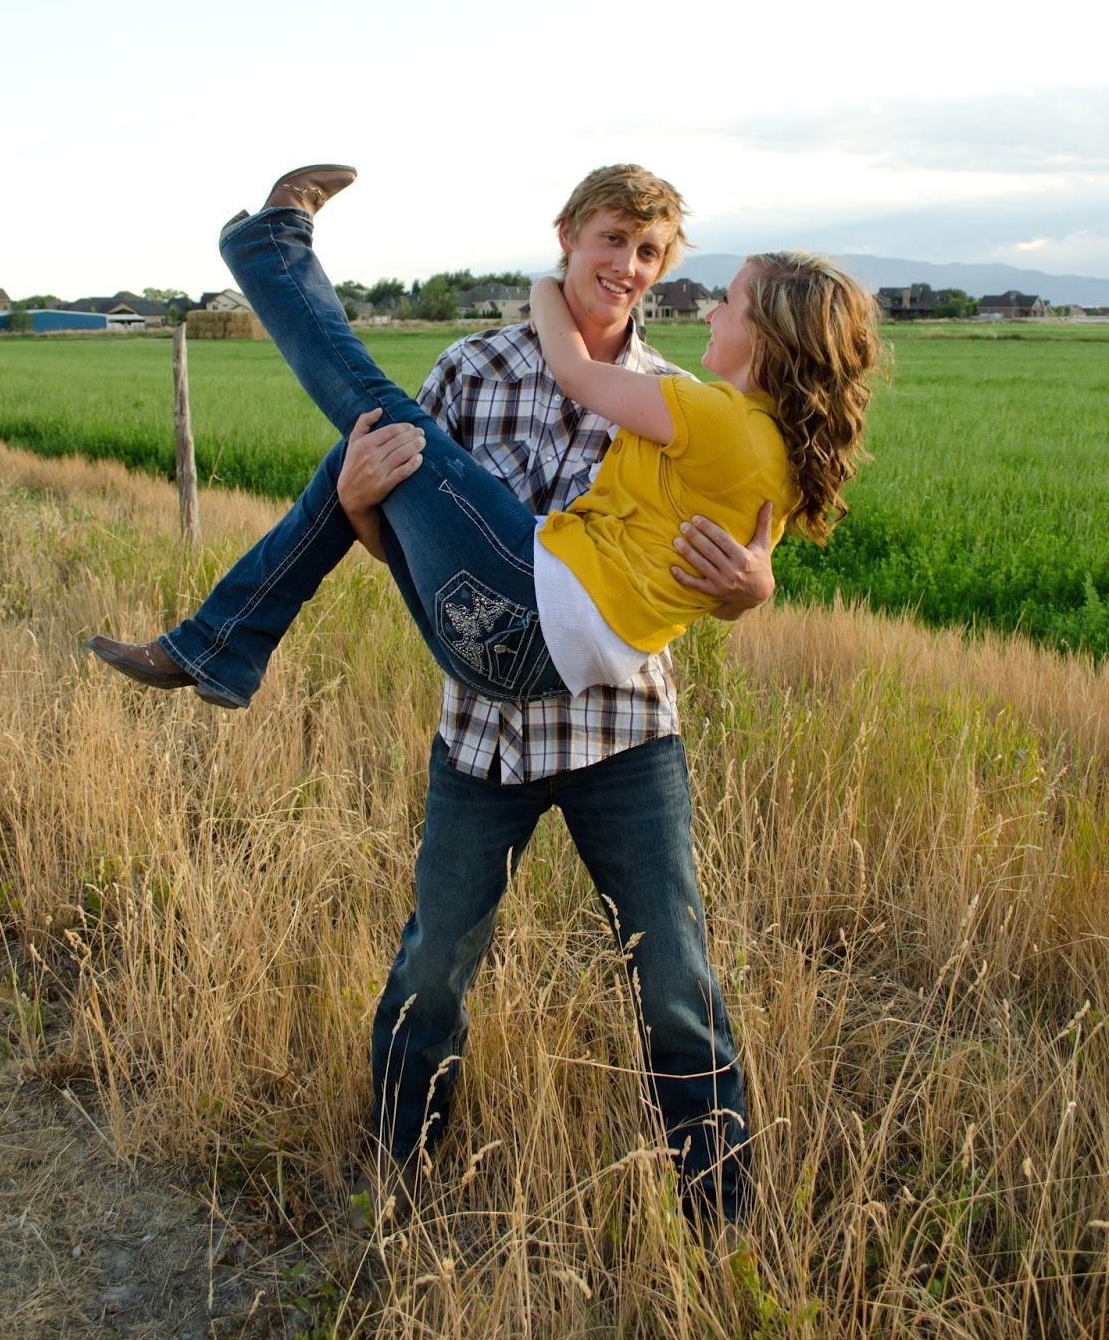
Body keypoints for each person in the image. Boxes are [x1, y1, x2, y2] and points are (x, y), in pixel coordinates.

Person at [89, 162, 874, 1222]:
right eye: (611, 240)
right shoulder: (469, 368)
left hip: (620, 732)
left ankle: (721, 1212)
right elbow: (424, 555)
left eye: (651, 254)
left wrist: (756, 587)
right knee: (432, 974)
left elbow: (737, 568)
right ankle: (397, 1175)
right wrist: (363, 507)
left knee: (679, 984)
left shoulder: (682, 394)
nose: (628, 267)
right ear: (568, 235)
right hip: (486, 716)